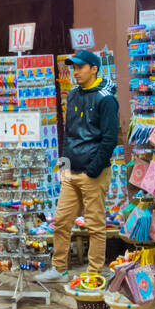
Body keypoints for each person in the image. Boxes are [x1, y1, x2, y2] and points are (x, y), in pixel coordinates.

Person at [37, 50, 120, 283]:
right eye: (73, 68)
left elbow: (109, 139)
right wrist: (64, 164)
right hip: (70, 171)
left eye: (80, 67)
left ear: (94, 68)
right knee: (61, 221)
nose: (75, 72)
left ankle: (94, 273)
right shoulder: (73, 94)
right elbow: (68, 131)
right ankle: (59, 269)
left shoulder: (106, 99)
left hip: (93, 173)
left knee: (95, 226)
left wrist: (93, 169)